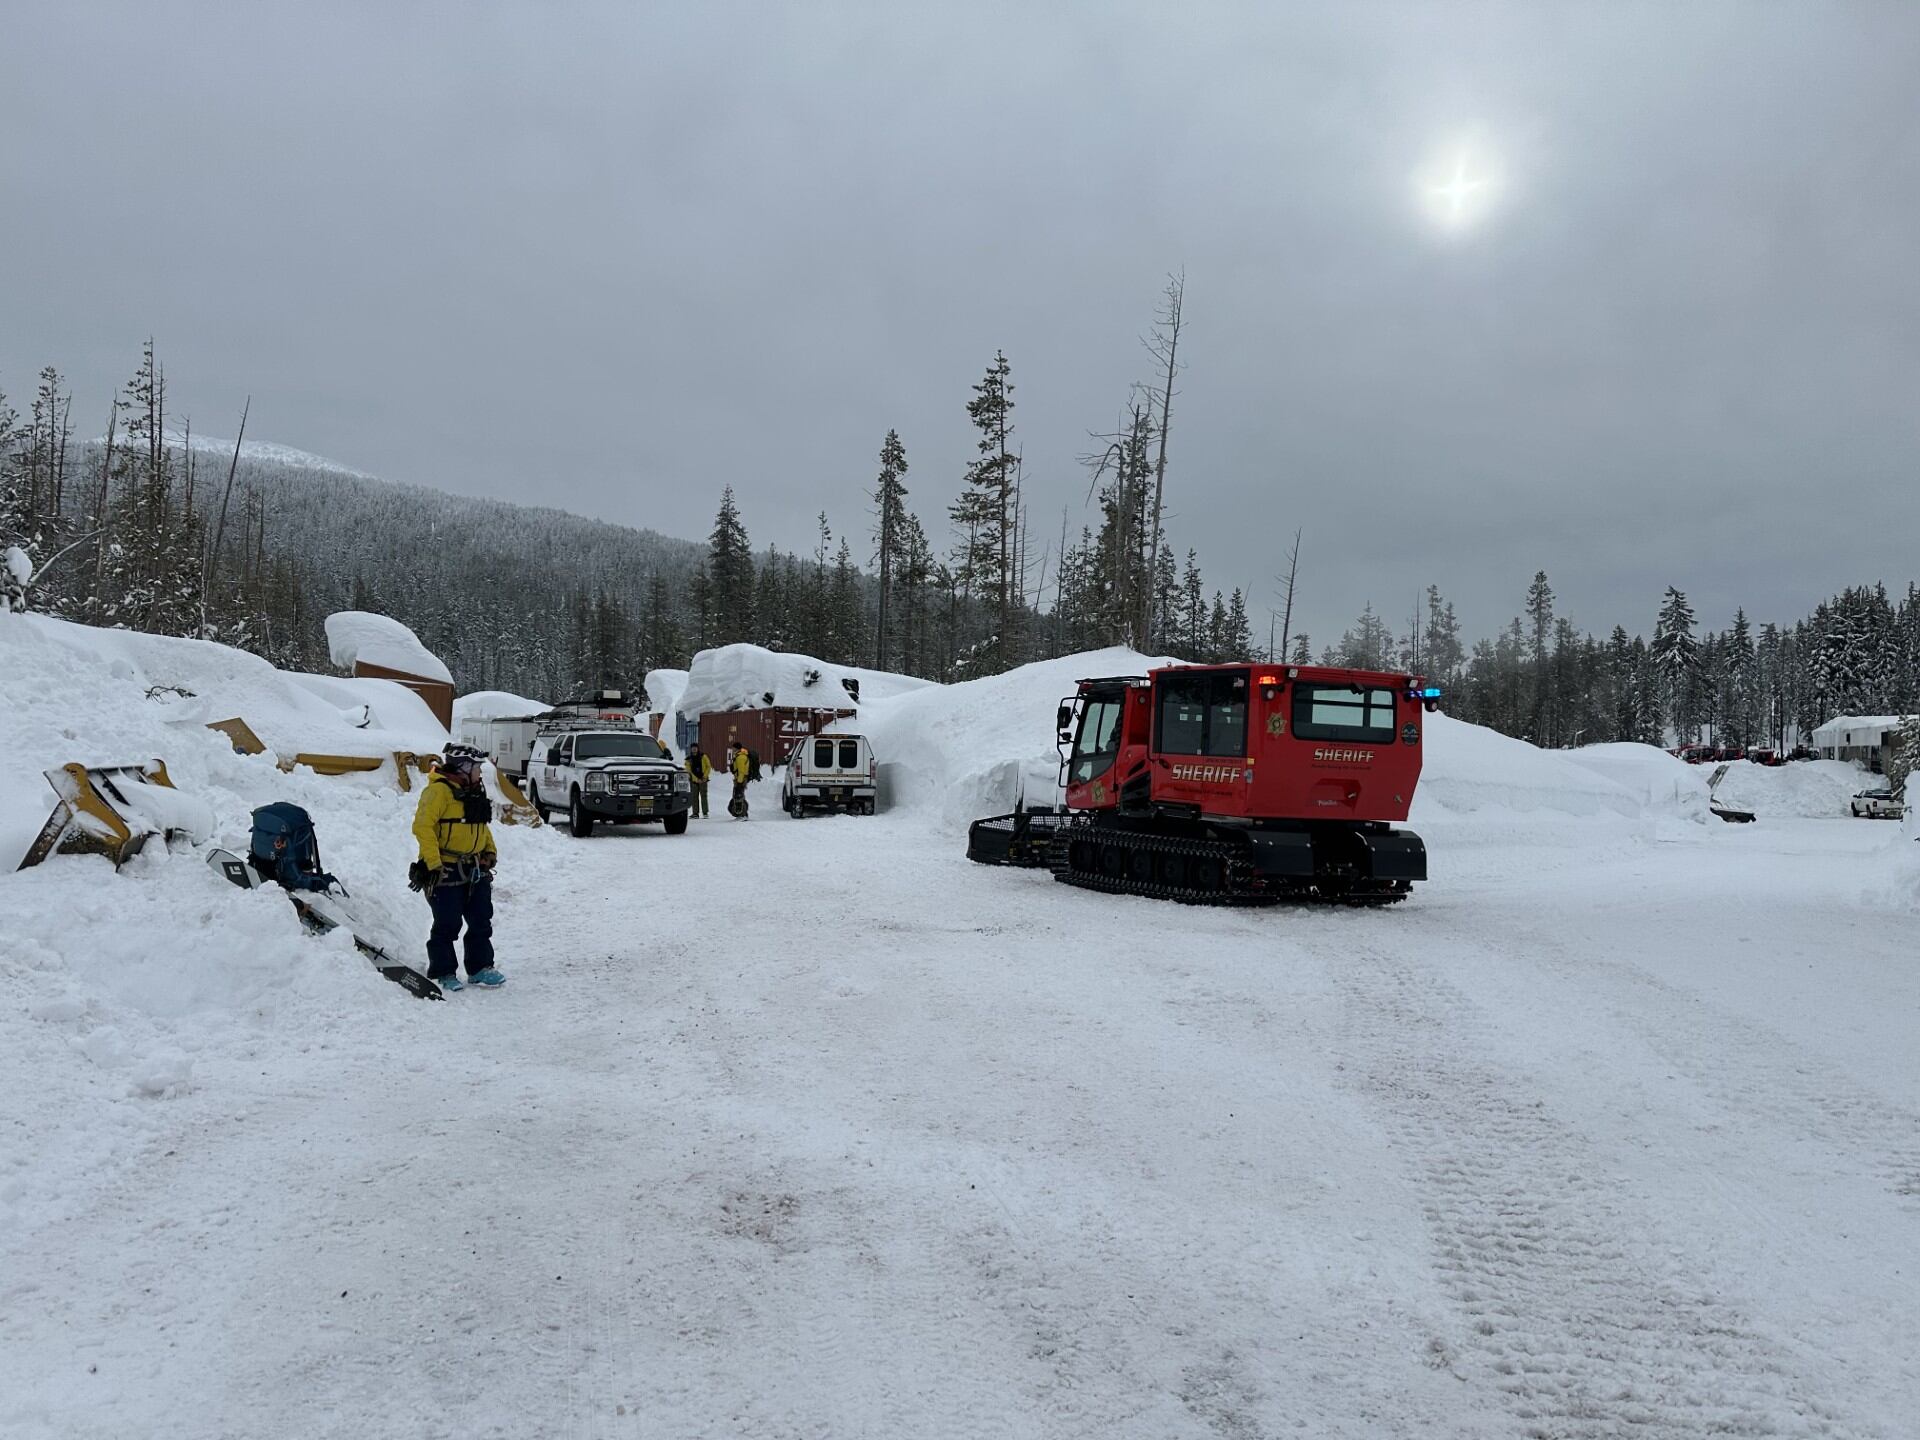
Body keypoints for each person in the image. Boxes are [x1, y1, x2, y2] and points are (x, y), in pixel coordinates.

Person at [410, 743, 504, 990]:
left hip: (475, 869)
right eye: (477, 768)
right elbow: (423, 827)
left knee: (481, 920)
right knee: (447, 923)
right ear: (463, 767)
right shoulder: (437, 792)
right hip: (445, 870)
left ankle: (480, 968)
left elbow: (481, 826)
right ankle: (443, 971)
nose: (480, 773)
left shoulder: (474, 791)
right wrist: (434, 863)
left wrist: (489, 851)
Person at [684, 741, 712, 818]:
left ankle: (705, 813)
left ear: (698, 748)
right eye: (693, 748)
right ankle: (695, 813)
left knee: (704, 796)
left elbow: (708, 766)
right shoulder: (688, 759)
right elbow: (688, 770)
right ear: (691, 749)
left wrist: (704, 776)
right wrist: (696, 779)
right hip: (694, 781)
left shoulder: (704, 756)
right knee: (694, 797)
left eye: (695, 748)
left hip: (703, 779)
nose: (694, 749)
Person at [727, 740, 751, 819]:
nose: (732, 749)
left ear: (736, 748)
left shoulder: (740, 757)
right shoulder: (739, 756)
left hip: (741, 779)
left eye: (733, 748)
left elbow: (741, 771)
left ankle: (743, 814)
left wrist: (739, 782)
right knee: (740, 797)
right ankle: (742, 813)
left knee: (739, 797)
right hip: (740, 779)